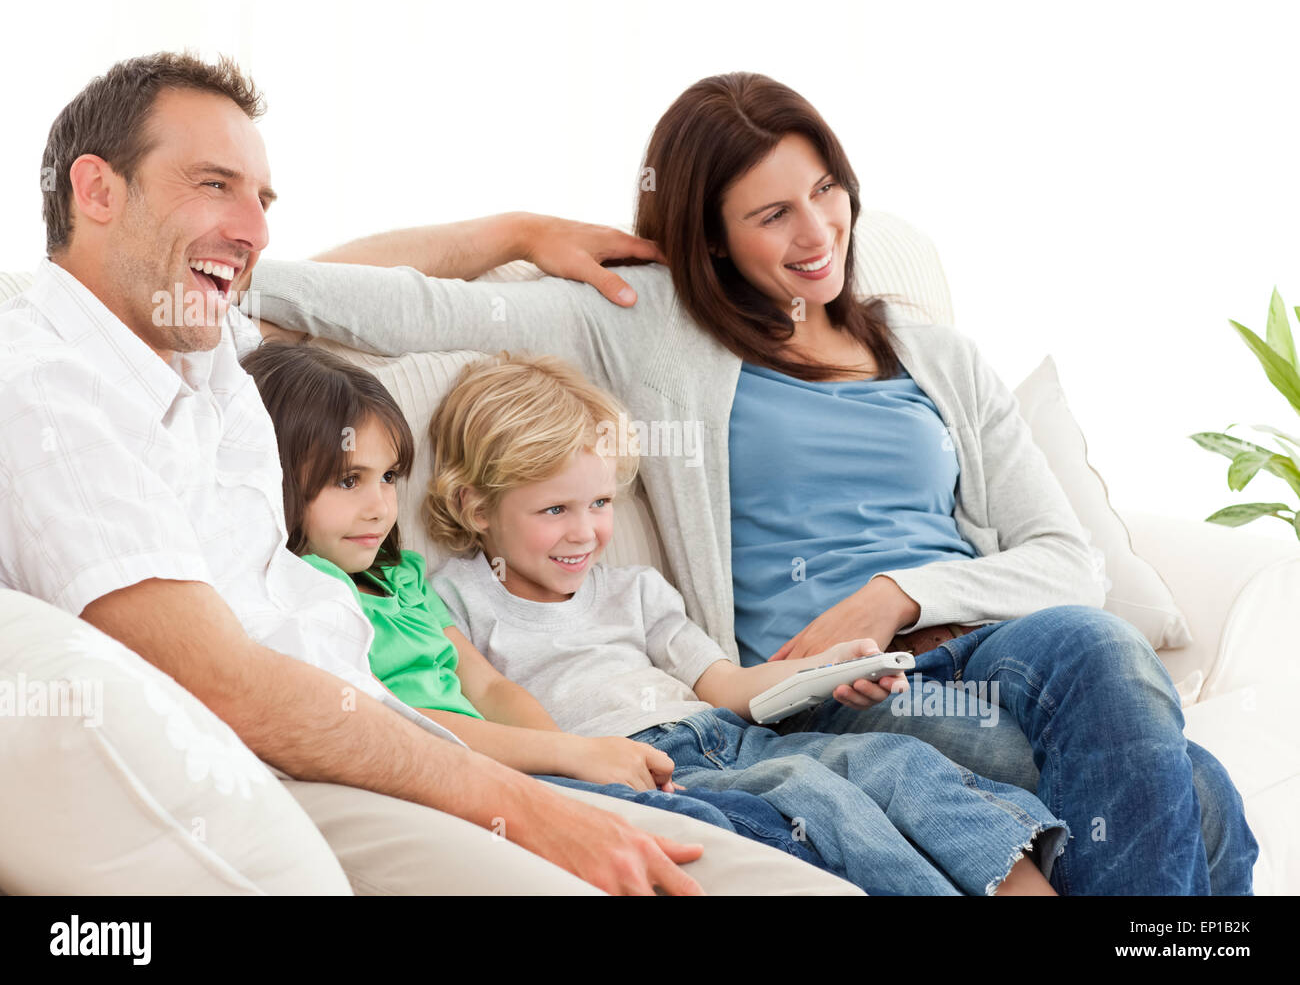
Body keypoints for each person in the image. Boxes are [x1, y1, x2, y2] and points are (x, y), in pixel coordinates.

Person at [245, 73, 1258, 895]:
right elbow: (317, 294)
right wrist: (511, 231)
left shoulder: (939, 356)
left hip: (996, 647)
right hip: (829, 692)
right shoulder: (647, 319)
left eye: (826, 190)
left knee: (1099, 647)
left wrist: (903, 591)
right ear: (711, 236)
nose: (817, 232)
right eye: (772, 213)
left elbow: (1067, 562)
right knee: (1195, 787)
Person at [0, 52, 864, 895]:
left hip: (393, 747)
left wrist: (513, 233)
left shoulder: (193, 342)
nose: (256, 231)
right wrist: (526, 807)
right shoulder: (45, 387)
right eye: (213, 183)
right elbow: (225, 683)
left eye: (262, 200)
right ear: (98, 189)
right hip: (301, 780)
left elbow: (351, 278)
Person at [419, 350, 1067, 895]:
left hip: (727, 736)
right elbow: (484, 700)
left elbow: (727, 683)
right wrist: (578, 759)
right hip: (638, 771)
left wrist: (828, 668)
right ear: (474, 506)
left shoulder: (635, 590)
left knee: (899, 763)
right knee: (829, 804)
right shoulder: (451, 599)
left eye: (600, 502)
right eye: (555, 508)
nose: (585, 531)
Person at [240, 339, 836, 874]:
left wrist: (576, 761)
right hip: (459, 777)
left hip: (535, 765)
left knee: (823, 792)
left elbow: (491, 689)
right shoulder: (304, 594)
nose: (380, 507)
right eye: (349, 481)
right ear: (277, 478)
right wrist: (567, 758)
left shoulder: (404, 579)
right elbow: (403, 728)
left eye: (390, 476)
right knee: (744, 827)